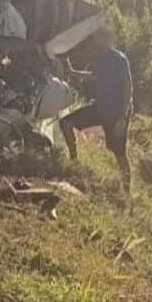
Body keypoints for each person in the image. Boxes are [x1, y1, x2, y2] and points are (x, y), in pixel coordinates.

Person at [60, 26, 133, 196]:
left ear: (107, 39)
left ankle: (127, 193)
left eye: (97, 37)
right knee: (65, 123)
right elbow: (95, 77)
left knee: (119, 153)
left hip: (116, 114)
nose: (94, 40)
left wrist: (122, 118)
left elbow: (127, 88)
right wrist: (73, 73)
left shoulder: (119, 59)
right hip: (100, 108)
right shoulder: (100, 59)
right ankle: (74, 162)